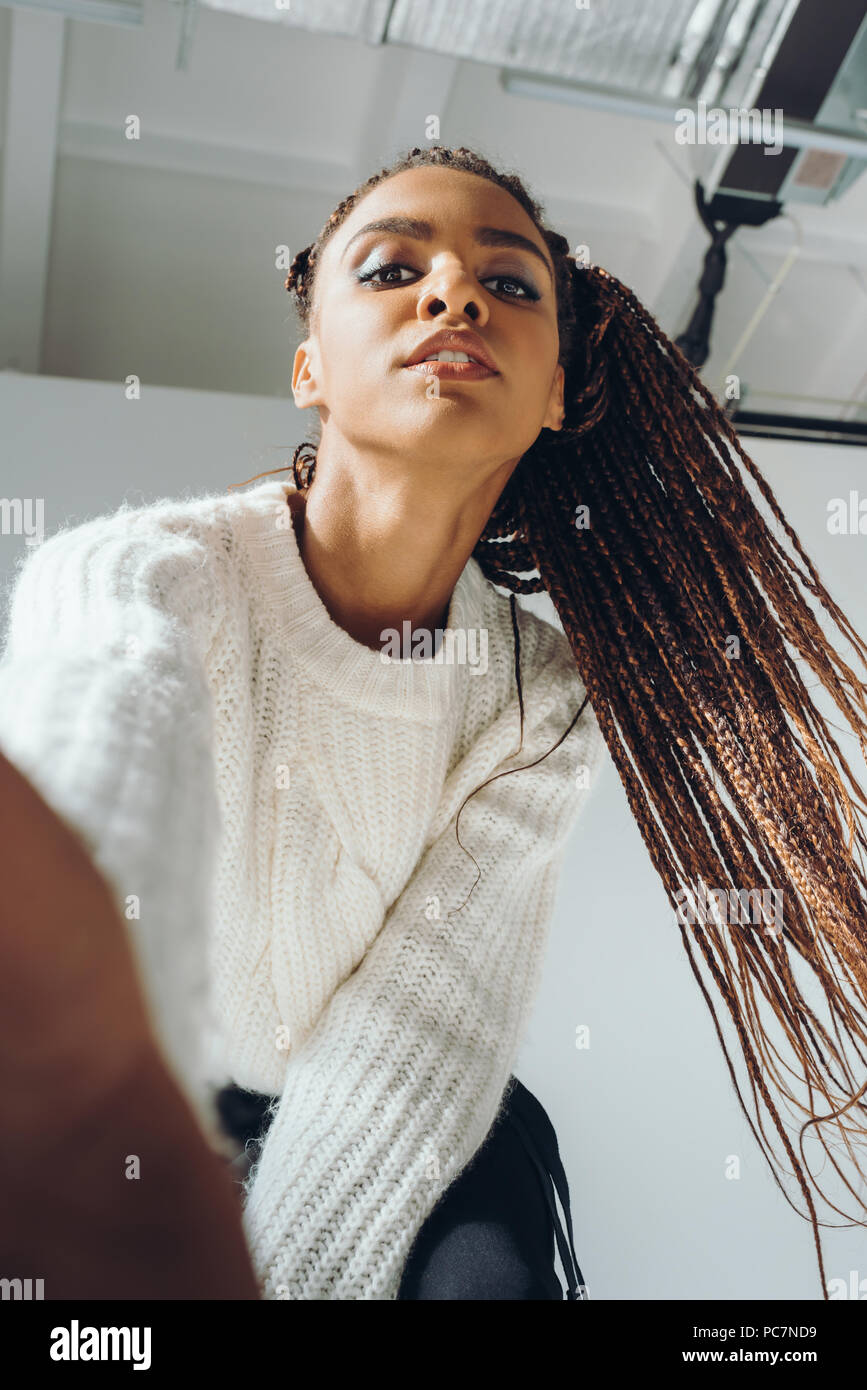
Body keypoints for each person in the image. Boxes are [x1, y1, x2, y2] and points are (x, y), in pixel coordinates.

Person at [2, 144, 867, 1302]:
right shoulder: (141, 575)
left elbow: (414, 1029)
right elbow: (89, 812)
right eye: (391, 268)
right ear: (310, 363)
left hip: (420, 1122)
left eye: (509, 284)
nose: (453, 293)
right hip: (146, 1088)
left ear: (556, 388)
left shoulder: (543, 701)